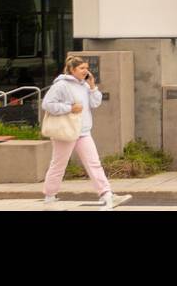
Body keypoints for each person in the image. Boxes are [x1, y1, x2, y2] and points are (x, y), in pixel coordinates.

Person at [41, 54, 131, 209]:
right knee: (59, 164)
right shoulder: (61, 85)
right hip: (67, 131)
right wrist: (70, 108)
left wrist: (92, 86)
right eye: (82, 68)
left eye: (86, 68)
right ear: (72, 69)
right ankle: (50, 196)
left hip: (83, 131)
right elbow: (47, 104)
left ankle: (107, 195)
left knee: (94, 163)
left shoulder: (84, 85)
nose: (85, 71)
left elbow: (95, 103)